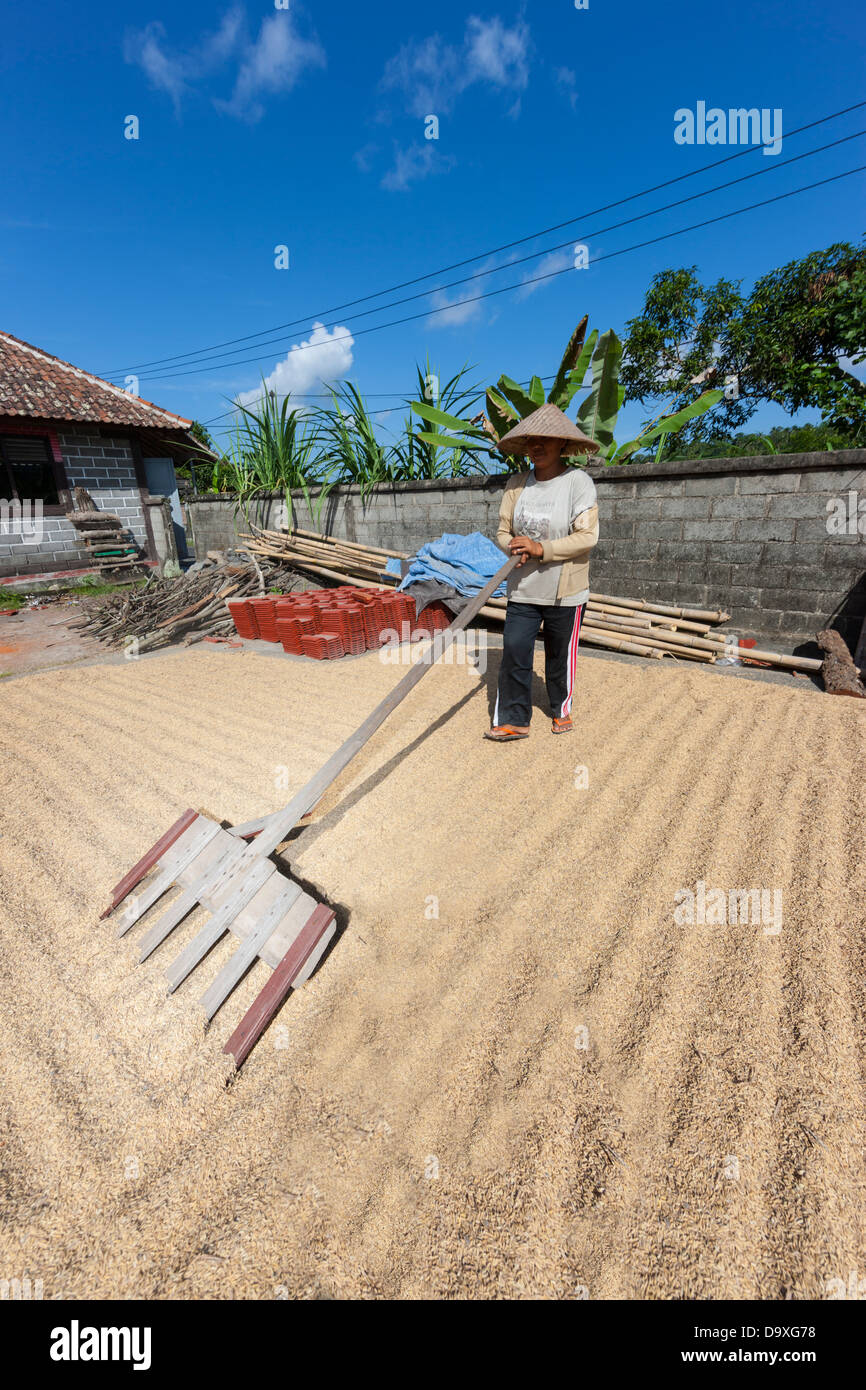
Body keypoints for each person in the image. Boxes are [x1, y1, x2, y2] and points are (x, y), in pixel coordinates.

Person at [485, 403, 600, 742]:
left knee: (558, 655)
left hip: (566, 590)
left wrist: (541, 549)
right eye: (532, 440)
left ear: (563, 444)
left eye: (546, 440)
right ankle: (513, 718)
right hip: (523, 588)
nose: (537, 446)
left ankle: (560, 706)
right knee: (515, 649)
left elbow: (587, 536)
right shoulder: (517, 484)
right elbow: (503, 531)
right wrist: (512, 549)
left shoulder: (578, 483)